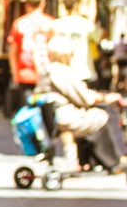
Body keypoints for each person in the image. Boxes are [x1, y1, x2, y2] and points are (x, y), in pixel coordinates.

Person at [36, 35, 127, 173]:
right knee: (100, 116)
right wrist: (105, 97)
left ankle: (87, 161)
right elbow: (84, 97)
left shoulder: (48, 70)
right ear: (64, 56)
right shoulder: (61, 71)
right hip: (65, 116)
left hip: (57, 115)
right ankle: (113, 160)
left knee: (91, 115)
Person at [7, 0, 55, 110]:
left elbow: (13, 52)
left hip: (25, 72)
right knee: (46, 110)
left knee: (28, 110)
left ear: (27, 5)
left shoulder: (19, 23)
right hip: (46, 72)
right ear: (43, 4)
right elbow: (55, 50)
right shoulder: (50, 23)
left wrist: (14, 73)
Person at [52, 0, 96, 85]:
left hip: (63, 71)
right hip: (83, 71)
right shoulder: (86, 24)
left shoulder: (56, 24)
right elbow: (99, 37)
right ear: (77, 6)